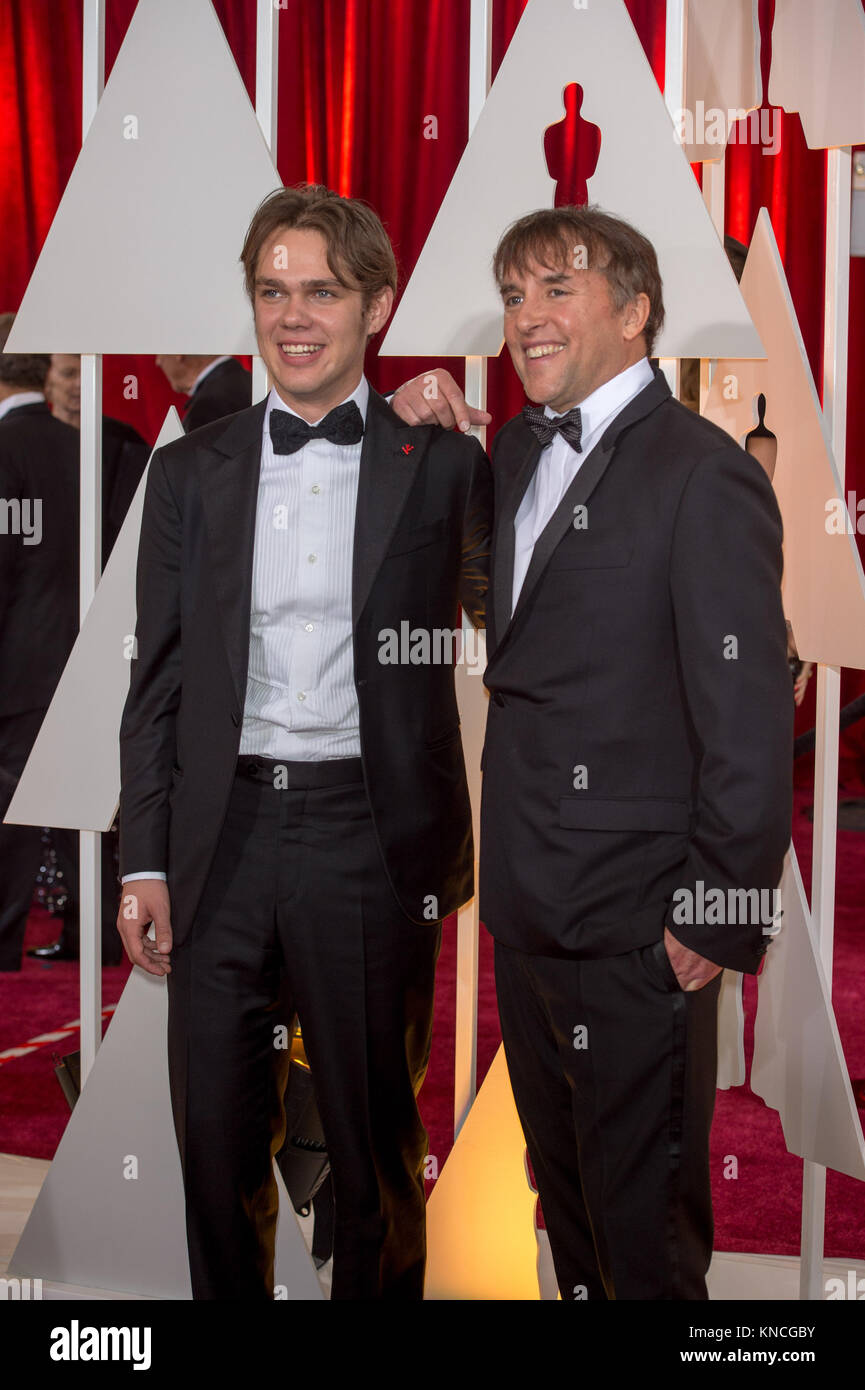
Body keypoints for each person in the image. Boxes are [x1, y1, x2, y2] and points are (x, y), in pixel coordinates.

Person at [391, 205, 793, 1300]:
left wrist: (715, 910)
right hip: (527, 908)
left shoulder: (703, 476)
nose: (527, 318)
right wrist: (410, 427)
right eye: (514, 295)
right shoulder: (516, 446)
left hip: (637, 922)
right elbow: (507, 616)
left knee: (644, 1238)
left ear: (636, 309)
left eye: (556, 290)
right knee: (567, 1215)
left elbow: (748, 707)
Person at [117, 184, 491, 1300]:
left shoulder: (444, 464)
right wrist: (146, 856)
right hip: (219, 836)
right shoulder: (190, 471)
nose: (293, 315)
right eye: (271, 290)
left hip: (370, 842)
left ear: (374, 305)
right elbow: (161, 678)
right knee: (217, 1142)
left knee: (374, 1147)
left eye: (321, 290)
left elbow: (525, 622)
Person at [0, 319, 80, 970]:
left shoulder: (4, 447)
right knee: (81, 796)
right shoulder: (82, 444)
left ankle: (3, 940)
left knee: (12, 803)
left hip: (20, 659)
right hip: (84, 652)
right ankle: (94, 935)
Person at [155, 353, 251, 432]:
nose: (157, 362)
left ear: (178, 353)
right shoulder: (250, 381)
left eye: (159, 353)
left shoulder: (207, 406)